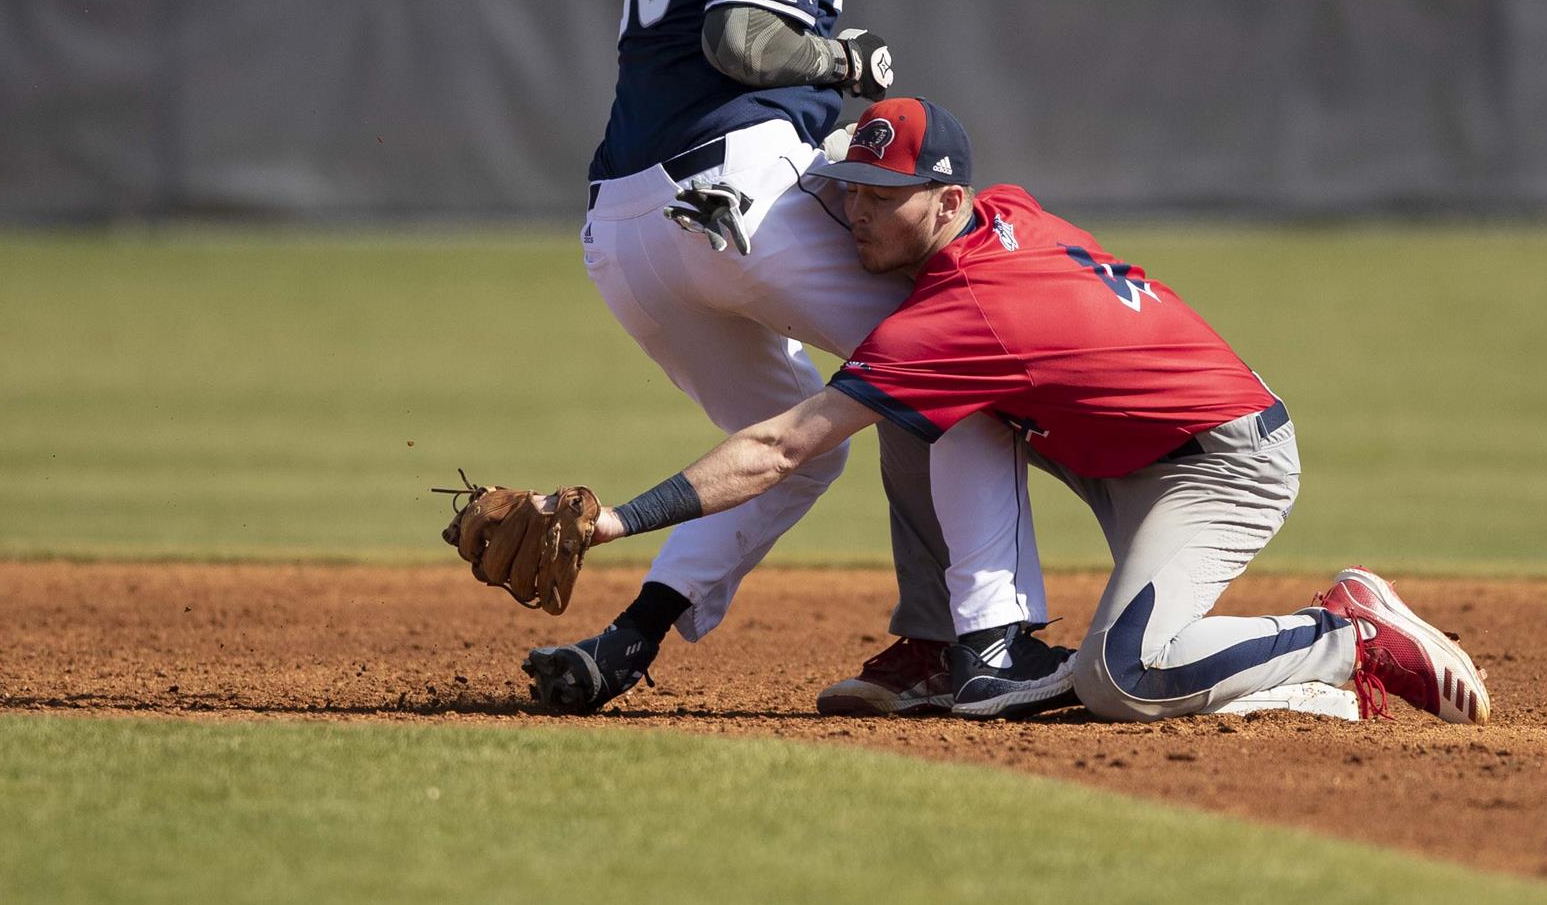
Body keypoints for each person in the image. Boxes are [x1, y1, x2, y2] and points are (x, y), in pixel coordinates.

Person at [532, 97, 1493, 724]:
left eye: (882, 195)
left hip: (1219, 463)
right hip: (1127, 444)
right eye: (849, 190)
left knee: (1121, 674)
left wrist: (612, 520)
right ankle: (942, 647)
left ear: (946, 199)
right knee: (917, 407)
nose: (856, 211)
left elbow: (783, 445)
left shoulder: (964, 315)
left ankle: (1346, 632)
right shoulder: (1001, 212)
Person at [534, 0, 1066, 722]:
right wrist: (840, 58)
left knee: (791, 447)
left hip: (626, 234)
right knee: (955, 362)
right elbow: (741, 38)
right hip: (733, 190)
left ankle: (622, 644)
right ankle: (986, 642)